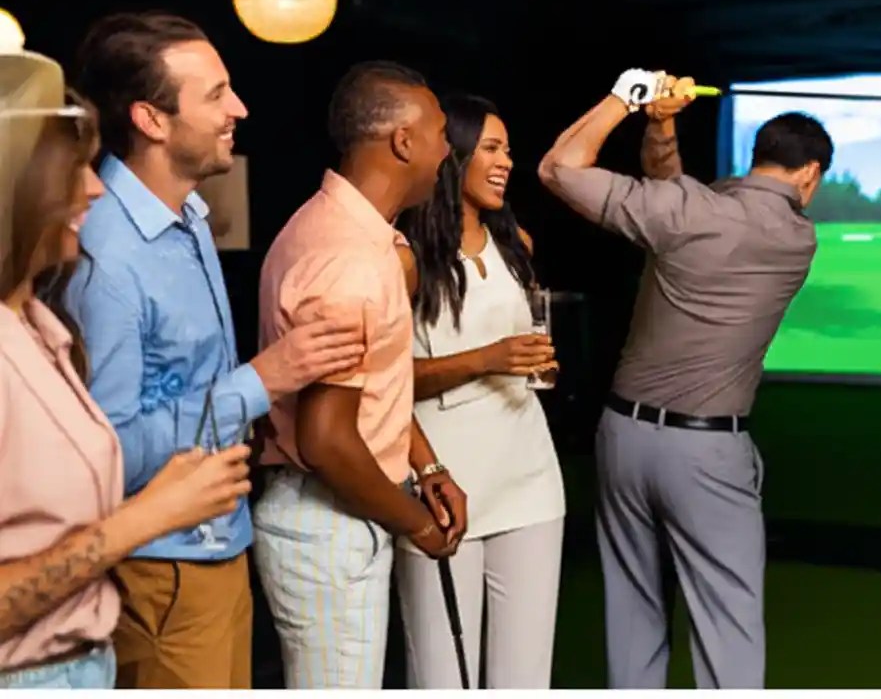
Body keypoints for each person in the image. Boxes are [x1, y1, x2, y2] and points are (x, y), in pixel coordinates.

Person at [63, 12, 366, 689]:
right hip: (158, 567)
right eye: (216, 94)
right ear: (151, 120)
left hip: (218, 543)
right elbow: (105, 451)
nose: (240, 108)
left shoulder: (188, 216)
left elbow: (181, 386)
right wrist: (262, 381)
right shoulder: (107, 255)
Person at [538, 69, 833, 689]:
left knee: (631, 609)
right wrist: (659, 122)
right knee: (728, 621)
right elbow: (673, 194)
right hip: (707, 453)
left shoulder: (686, 211)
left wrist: (629, 97)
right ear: (810, 175)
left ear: (756, 156)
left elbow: (559, 167)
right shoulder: (795, 238)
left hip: (622, 437)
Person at [0, 52, 252, 689]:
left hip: (87, 661)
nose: (94, 187)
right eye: (74, 170)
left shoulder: (38, 328)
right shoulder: (100, 267)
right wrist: (150, 514)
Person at [253, 60, 468, 689]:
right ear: (402, 141)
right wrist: (419, 525)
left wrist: (425, 466)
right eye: (438, 132)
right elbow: (326, 438)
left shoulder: (349, 232)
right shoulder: (349, 259)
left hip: (341, 507)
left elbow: (377, 380)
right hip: (328, 518)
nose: (445, 149)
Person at [395, 94, 564, 689]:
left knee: (525, 678)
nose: (507, 161)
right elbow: (383, 380)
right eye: (492, 148)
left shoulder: (516, 241)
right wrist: (488, 359)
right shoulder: (406, 255)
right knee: (444, 675)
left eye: (509, 150)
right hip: (444, 476)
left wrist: (533, 364)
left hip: (529, 472)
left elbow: (524, 343)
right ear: (454, 155)